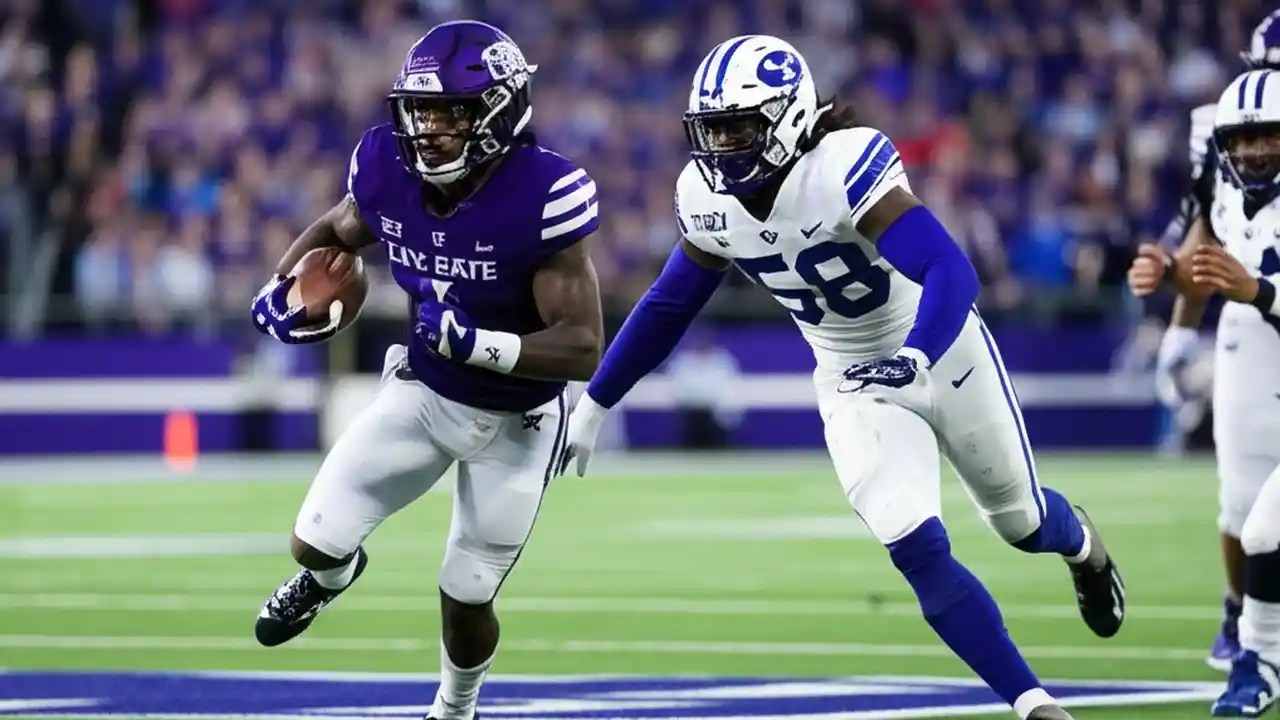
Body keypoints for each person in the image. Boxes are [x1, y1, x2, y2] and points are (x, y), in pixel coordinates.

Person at [559, 34, 1122, 720]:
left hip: (941, 348)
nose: (724, 148)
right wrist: (596, 401)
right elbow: (670, 303)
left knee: (1022, 522)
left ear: (790, 117)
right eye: (713, 131)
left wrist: (915, 358)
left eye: (740, 128)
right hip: (852, 375)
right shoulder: (705, 198)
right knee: (915, 547)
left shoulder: (843, 165)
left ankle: (1083, 546)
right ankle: (1034, 705)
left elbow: (952, 271)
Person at [248, 21, 603, 720]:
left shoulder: (544, 192)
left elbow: (583, 346)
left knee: (466, 591)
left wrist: (481, 344)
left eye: (452, 112)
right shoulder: (385, 166)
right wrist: (283, 280)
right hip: (425, 392)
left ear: (499, 111)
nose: (430, 128)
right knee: (312, 544)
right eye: (421, 110)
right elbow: (340, 227)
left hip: (519, 421)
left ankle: (455, 707)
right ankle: (334, 577)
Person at [1126, 9, 1280, 675]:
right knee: (1241, 494)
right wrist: (1181, 324)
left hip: (1261, 295)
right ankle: (1238, 608)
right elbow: (1203, 230)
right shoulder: (1231, 130)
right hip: (1253, 319)